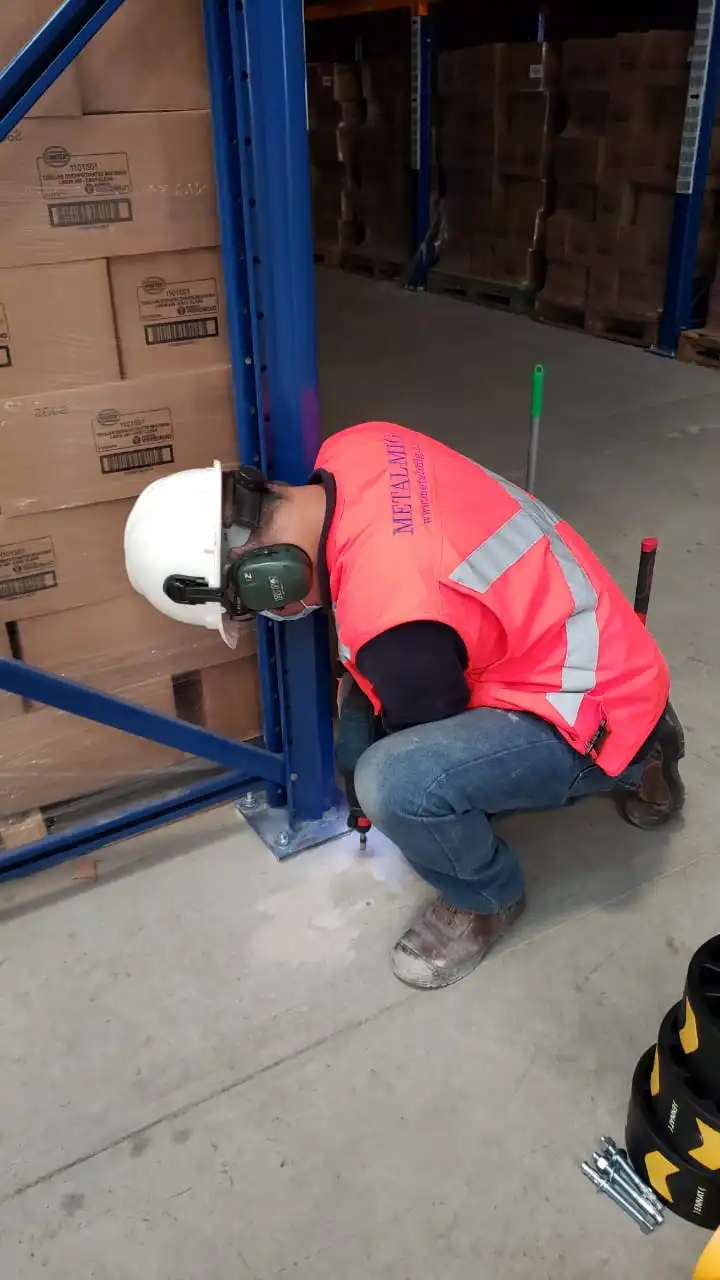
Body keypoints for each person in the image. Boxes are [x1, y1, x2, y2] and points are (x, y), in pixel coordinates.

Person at [124, 422, 685, 991]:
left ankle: (491, 893)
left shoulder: (393, 623)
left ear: (268, 579)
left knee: (398, 785)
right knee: (367, 726)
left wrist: (377, 776)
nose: (265, 616)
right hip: (583, 630)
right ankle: (646, 726)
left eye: (249, 607)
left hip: (591, 703)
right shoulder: (355, 447)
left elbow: (420, 725)